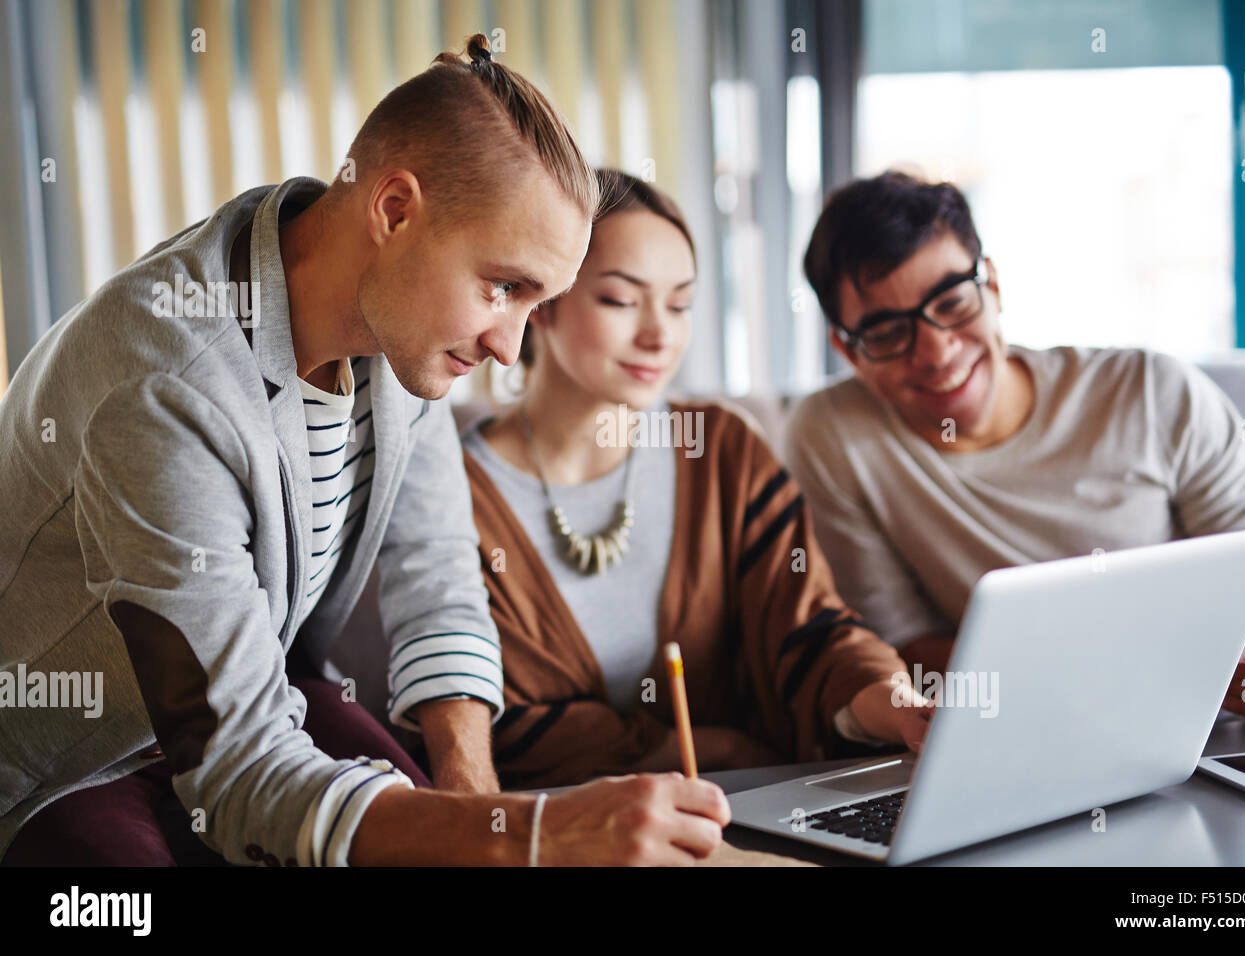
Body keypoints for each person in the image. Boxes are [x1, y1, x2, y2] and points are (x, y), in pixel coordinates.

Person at [0, 36, 728, 867]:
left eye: (538, 302)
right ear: (392, 209)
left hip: (259, 695)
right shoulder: (167, 386)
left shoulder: (396, 325)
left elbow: (438, 578)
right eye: (504, 286)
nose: (508, 346)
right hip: (63, 761)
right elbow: (236, 764)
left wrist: (479, 808)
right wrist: (532, 836)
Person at [459, 169, 932, 790]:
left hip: (749, 823)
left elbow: (811, 626)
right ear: (541, 303)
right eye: (621, 300)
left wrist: (891, 699)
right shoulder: (458, 492)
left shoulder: (720, 450)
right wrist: (713, 749)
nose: (660, 335)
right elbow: (494, 720)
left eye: (680, 304)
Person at [787, 169, 1245, 730]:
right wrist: (1121, 675)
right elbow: (903, 645)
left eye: (952, 302)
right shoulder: (832, 435)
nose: (935, 352)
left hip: (1210, 728)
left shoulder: (1152, 392)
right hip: (1024, 729)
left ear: (994, 287)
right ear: (847, 348)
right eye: (887, 332)